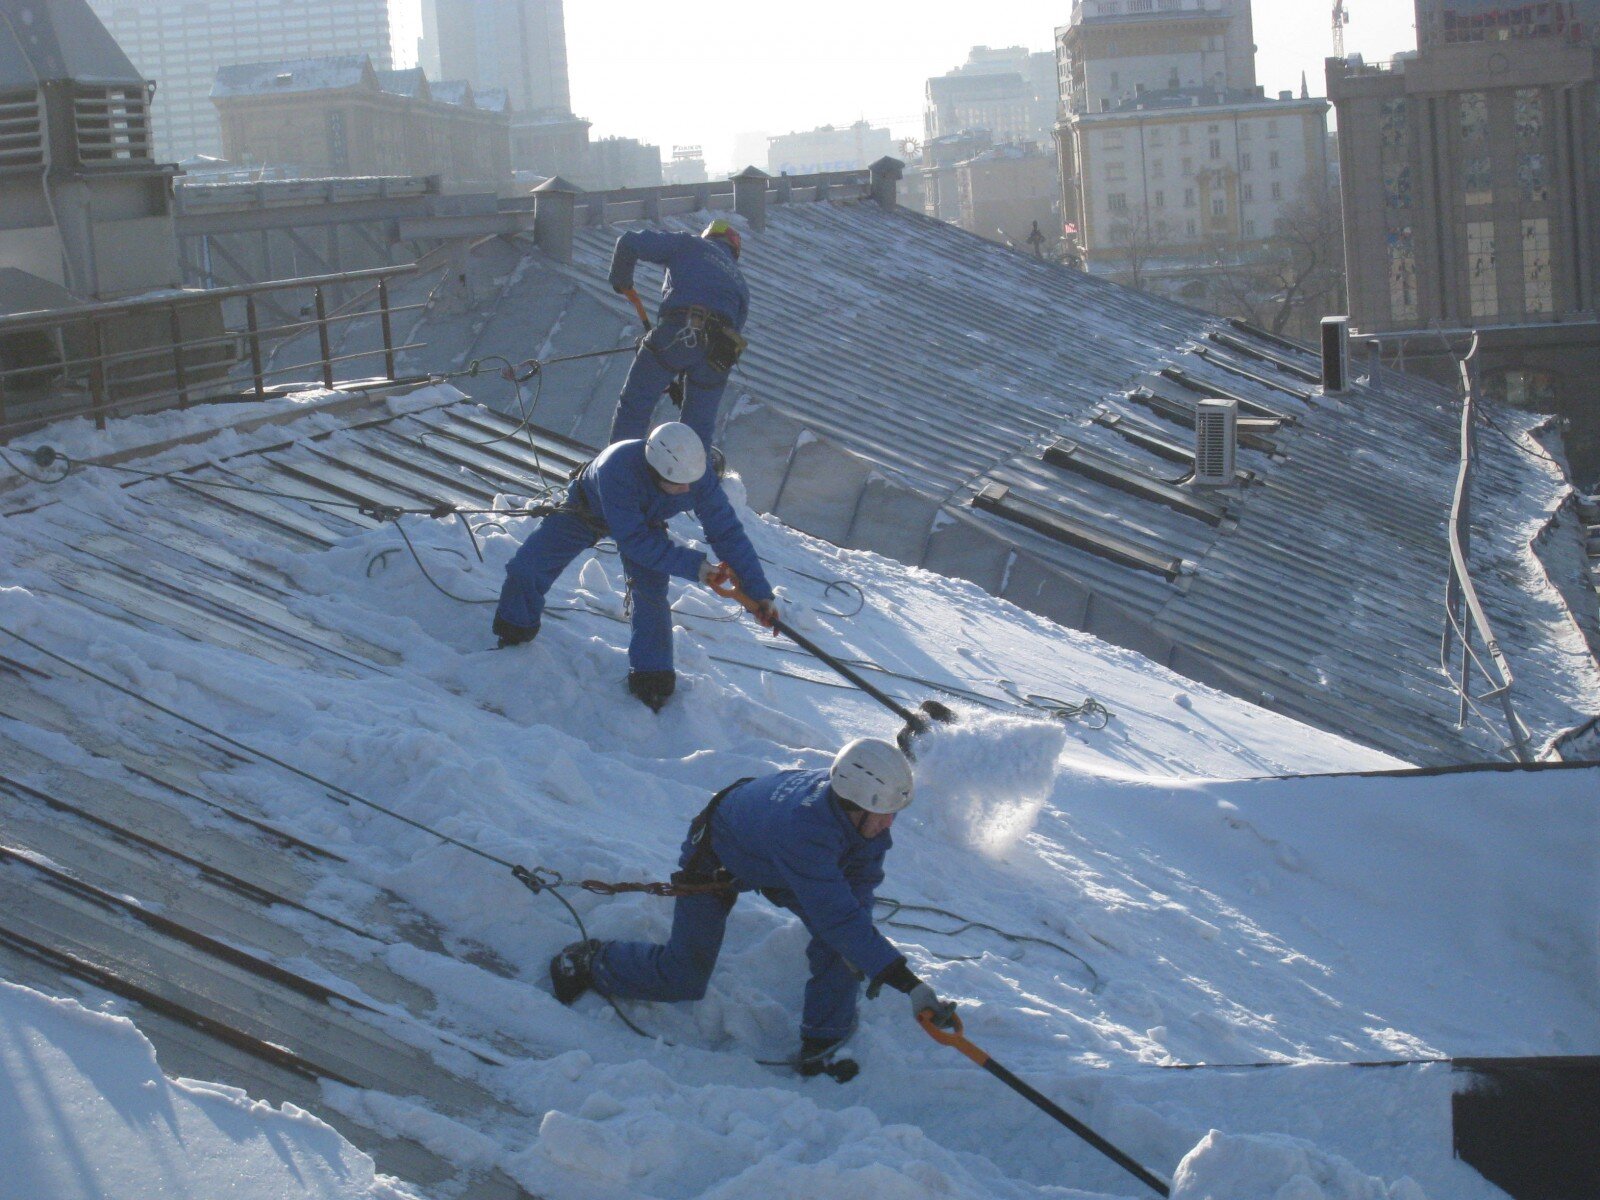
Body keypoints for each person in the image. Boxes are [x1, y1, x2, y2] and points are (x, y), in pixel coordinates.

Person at [549, 739, 960, 1077]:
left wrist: (864, 952)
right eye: (883, 814)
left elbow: (856, 898)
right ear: (855, 803)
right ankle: (591, 962)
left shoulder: (861, 818)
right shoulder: (805, 832)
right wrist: (906, 982)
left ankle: (824, 1040)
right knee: (683, 977)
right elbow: (837, 914)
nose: (890, 824)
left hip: (771, 852)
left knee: (843, 945)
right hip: (717, 852)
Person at [493, 421, 778, 710]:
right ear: (654, 471)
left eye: (691, 482)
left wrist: (759, 593)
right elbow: (636, 542)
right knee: (527, 567)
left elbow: (727, 533)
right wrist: (698, 568)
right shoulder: (617, 469)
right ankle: (514, 629)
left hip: (646, 521)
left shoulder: (695, 476)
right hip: (587, 511)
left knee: (651, 593)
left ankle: (652, 678)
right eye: (678, 484)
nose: (686, 490)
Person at [607, 218, 749, 449]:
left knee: (636, 404)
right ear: (734, 252)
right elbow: (733, 333)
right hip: (719, 354)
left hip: (678, 332)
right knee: (698, 430)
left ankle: (619, 464)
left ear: (709, 238)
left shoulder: (689, 244)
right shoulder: (741, 284)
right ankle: (692, 479)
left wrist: (621, 280)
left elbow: (629, 242)